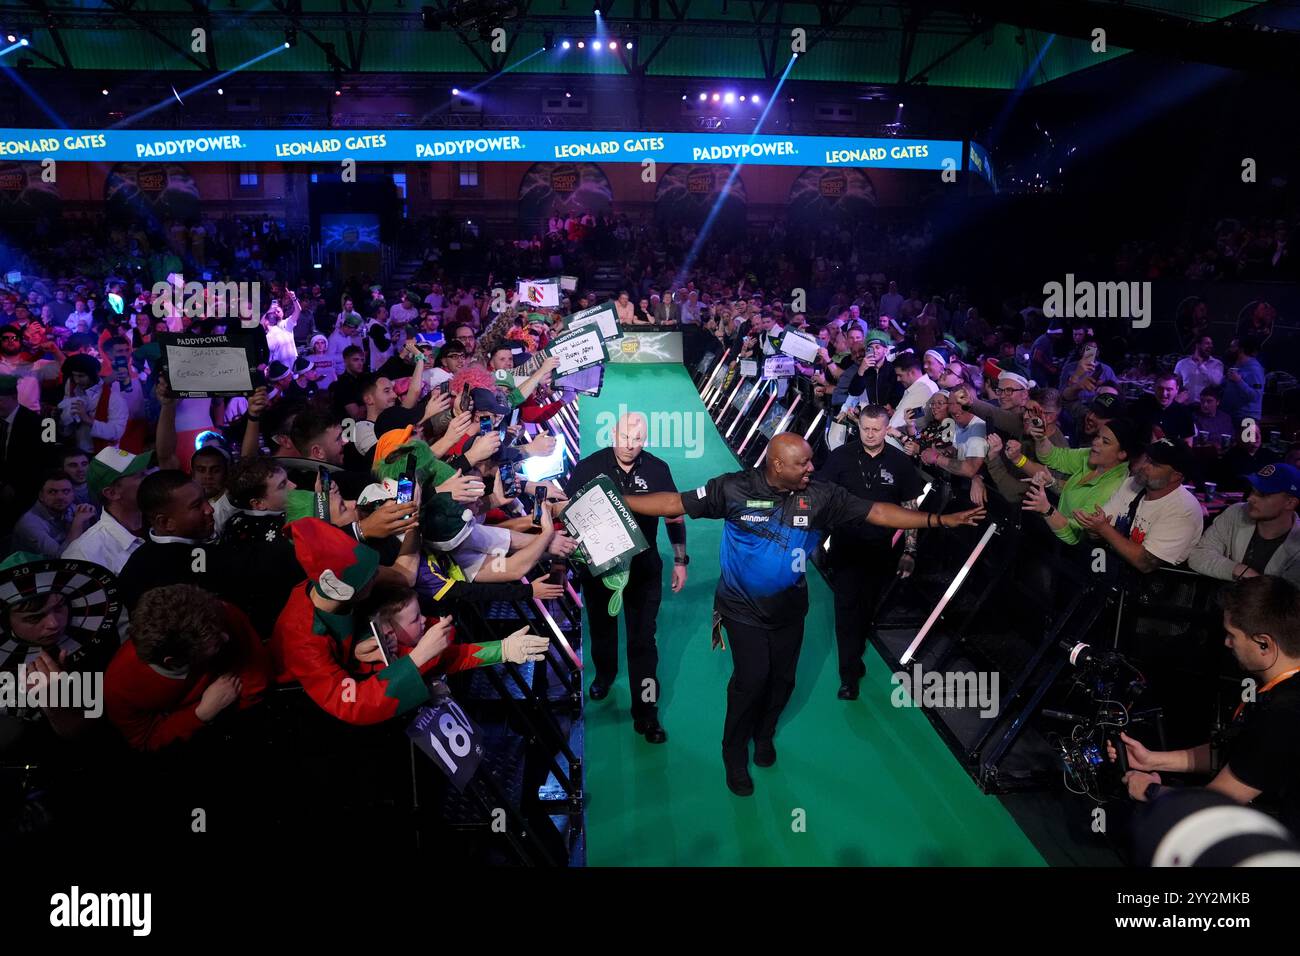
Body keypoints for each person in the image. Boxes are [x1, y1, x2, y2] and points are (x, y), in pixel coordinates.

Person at [620, 432, 984, 796]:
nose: (812, 467)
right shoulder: (733, 488)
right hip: (739, 608)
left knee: (783, 682)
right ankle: (733, 753)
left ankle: (764, 736)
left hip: (790, 610)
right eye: (803, 463)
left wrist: (940, 520)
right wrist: (619, 501)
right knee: (752, 679)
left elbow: (877, 511)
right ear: (777, 464)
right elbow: (672, 503)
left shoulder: (821, 495)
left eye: (811, 461)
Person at [1110, 576, 1300, 834]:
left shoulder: (1284, 712)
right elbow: (1239, 756)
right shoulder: (1282, 690)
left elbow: (1217, 805)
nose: (1227, 643)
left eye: (1233, 635)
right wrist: (1152, 760)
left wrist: (1150, 791)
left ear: (1263, 643)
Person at [564, 413, 687, 743]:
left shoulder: (658, 469)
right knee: (602, 630)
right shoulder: (590, 467)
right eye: (625, 438)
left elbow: (674, 514)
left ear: (644, 440)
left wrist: (680, 559)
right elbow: (569, 514)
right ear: (613, 434)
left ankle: (647, 712)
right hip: (600, 569)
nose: (630, 446)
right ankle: (604, 674)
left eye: (637, 440)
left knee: (643, 642)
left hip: (643, 570)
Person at [816, 405, 925, 698]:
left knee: (867, 613)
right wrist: (817, 539)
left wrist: (910, 551)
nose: (870, 434)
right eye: (866, 428)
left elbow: (910, 509)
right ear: (859, 426)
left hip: (880, 551)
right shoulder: (841, 457)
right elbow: (821, 499)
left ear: (887, 428)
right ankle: (848, 675)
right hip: (845, 548)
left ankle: (855, 654)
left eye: (876, 429)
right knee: (845, 611)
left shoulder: (900, 463)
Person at [104, 584, 273, 752]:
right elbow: (146, 739)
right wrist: (201, 713)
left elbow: (254, 672)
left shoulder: (218, 613)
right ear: (172, 661)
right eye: (215, 644)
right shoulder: (117, 689)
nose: (226, 637)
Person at [1074, 438, 1204, 573]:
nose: (1144, 466)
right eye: (1147, 459)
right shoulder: (1133, 484)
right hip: (1112, 571)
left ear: (1175, 477)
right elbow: (1102, 527)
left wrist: (1104, 529)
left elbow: (1145, 563)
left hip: (1150, 586)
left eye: (1154, 464)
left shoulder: (1184, 510)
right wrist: (1094, 529)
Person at [1188, 464, 1300, 585]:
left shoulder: (1297, 544)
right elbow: (1198, 555)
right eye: (1252, 490)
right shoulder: (1237, 512)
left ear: (1290, 503)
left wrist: (1258, 584)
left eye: (1263, 494)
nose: (1250, 498)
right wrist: (1241, 571)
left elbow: (1289, 596)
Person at [61, 447, 151, 574]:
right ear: (112, 493)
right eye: (141, 475)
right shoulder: (84, 554)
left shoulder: (164, 522)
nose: (150, 478)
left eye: (147, 472)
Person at [12, 470, 97, 559]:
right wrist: (78, 522)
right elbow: (62, 558)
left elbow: (90, 542)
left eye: (66, 491)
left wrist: (89, 518)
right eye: (52, 492)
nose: (60, 497)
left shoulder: (70, 507)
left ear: (73, 494)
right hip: (33, 568)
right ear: (41, 496)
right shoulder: (29, 523)